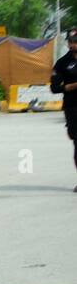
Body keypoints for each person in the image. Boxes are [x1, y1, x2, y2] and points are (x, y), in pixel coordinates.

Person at [50, 27, 77, 192]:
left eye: (76, 42)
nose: (74, 45)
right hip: (73, 108)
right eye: (72, 42)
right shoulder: (62, 63)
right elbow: (55, 88)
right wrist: (74, 86)